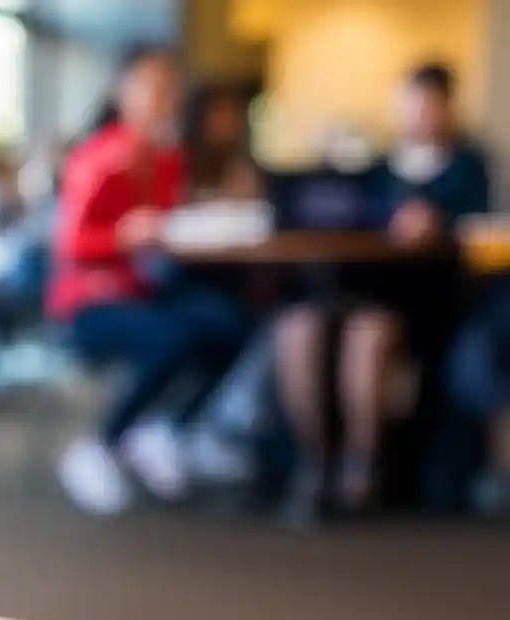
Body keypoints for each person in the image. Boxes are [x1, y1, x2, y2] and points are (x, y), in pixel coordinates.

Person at [274, 62, 489, 517]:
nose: (421, 114)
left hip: (420, 298)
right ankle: (314, 463)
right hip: (356, 285)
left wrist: (437, 223)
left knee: (367, 336)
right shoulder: (374, 169)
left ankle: (362, 466)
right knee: (297, 328)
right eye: (413, 103)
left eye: (430, 104)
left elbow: (477, 230)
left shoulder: (468, 169)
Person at [50, 48, 245, 515]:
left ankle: (164, 428)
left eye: (170, 88)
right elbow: (71, 245)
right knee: (171, 337)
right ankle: (101, 443)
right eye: (153, 87)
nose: (164, 98)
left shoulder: (168, 159)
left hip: (145, 292)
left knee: (229, 324)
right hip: (88, 304)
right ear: (124, 92)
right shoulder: (98, 156)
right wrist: (122, 236)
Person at [184, 83, 260, 201]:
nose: (226, 122)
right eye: (219, 114)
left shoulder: (243, 166)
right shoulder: (184, 162)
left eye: (231, 114)